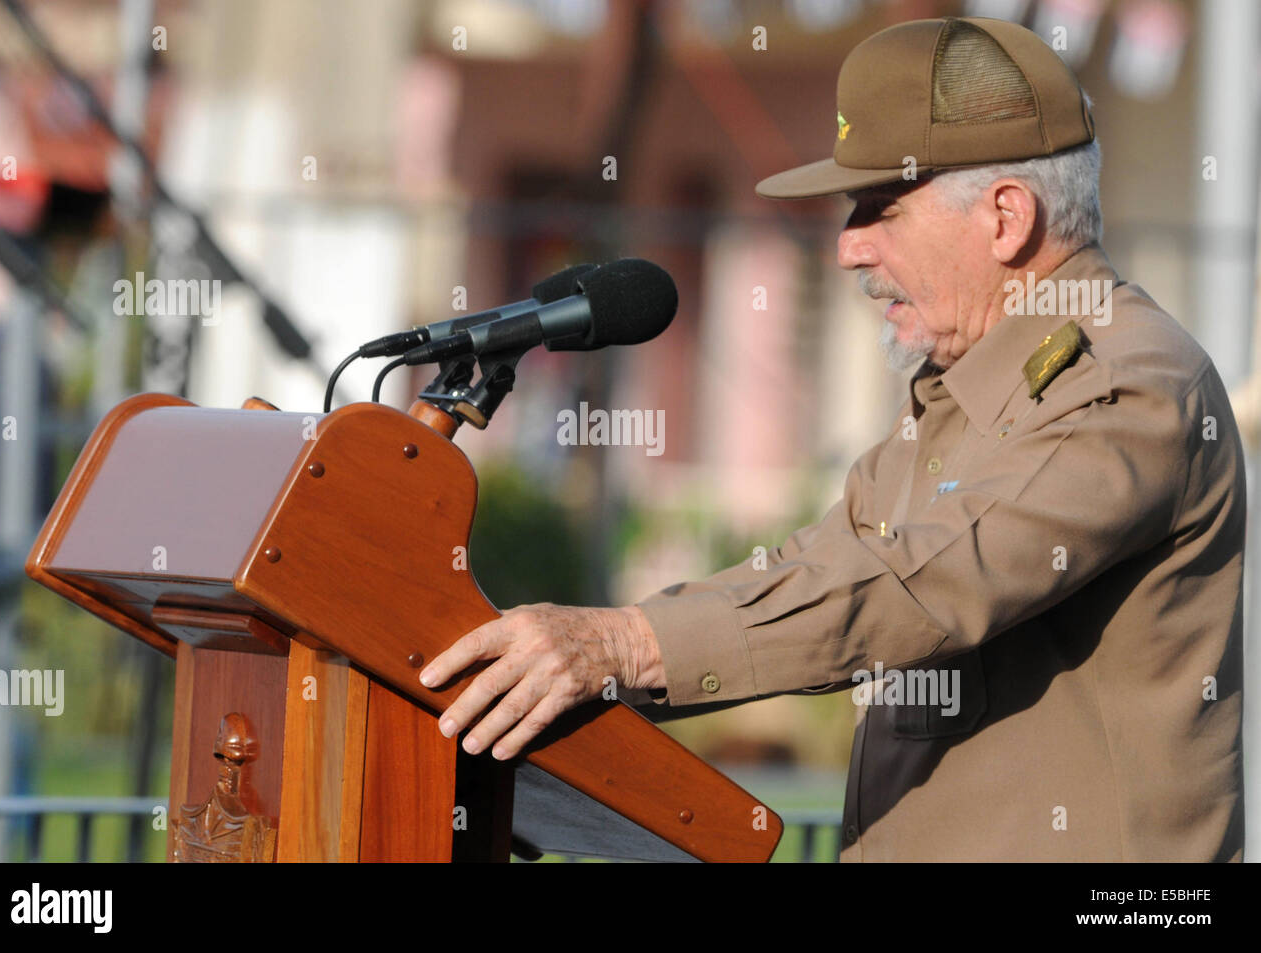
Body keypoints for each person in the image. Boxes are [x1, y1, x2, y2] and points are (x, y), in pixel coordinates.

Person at [419, 15, 1246, 861]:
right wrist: (562, 668)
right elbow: (811, 570)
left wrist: (622, 647)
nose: (849, 247)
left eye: (880, 206)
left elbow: (919, 583)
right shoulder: (957, 391)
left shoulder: (1128, 382)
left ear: (1006, 218)